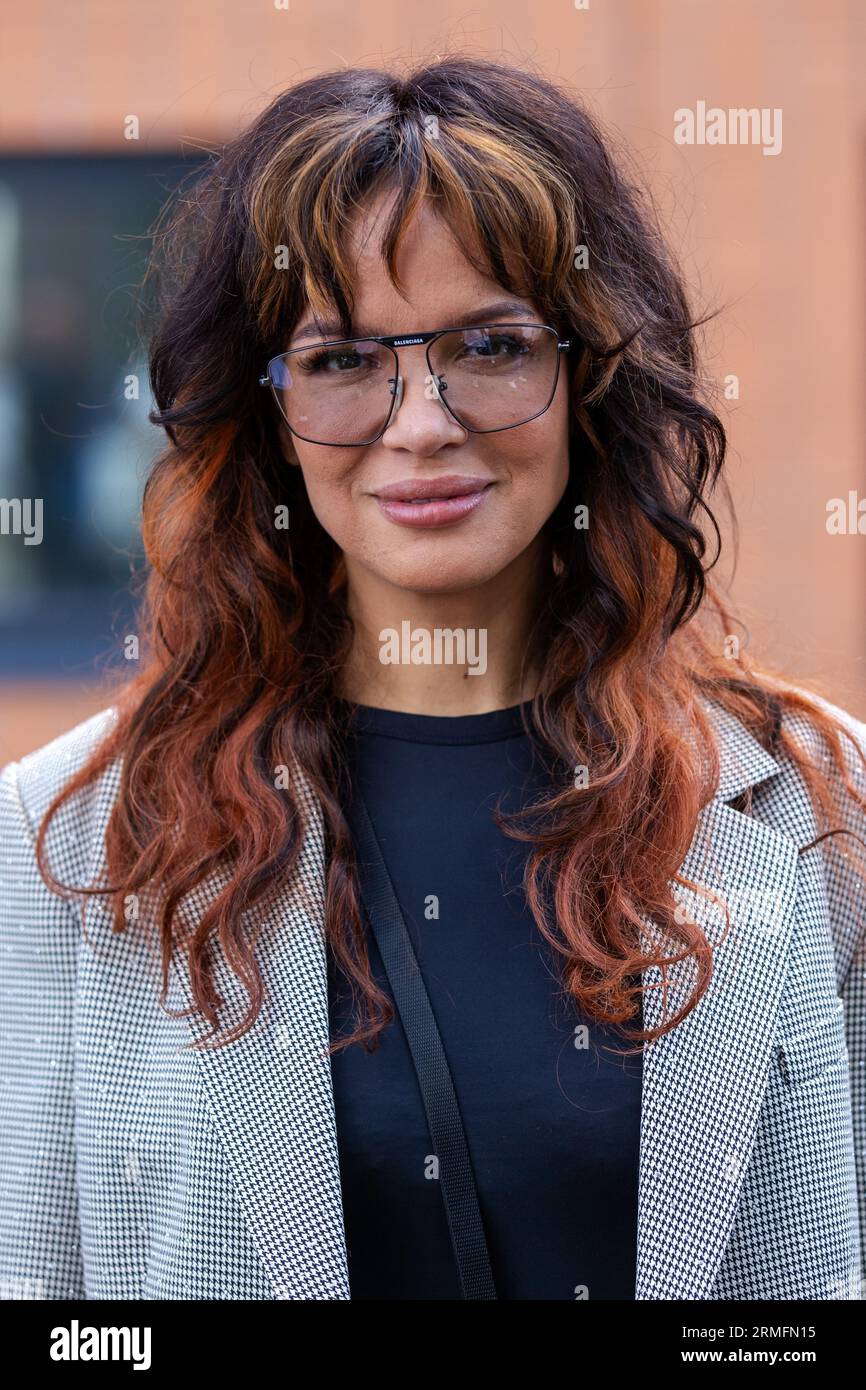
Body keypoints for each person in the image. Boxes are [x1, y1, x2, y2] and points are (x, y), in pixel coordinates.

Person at [1, 57, 863, 1302]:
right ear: (267, 409)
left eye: (490, 344)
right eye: (345, 359)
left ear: (590, 375)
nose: (421, 423)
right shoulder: (69, 836)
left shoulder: (814, 807)